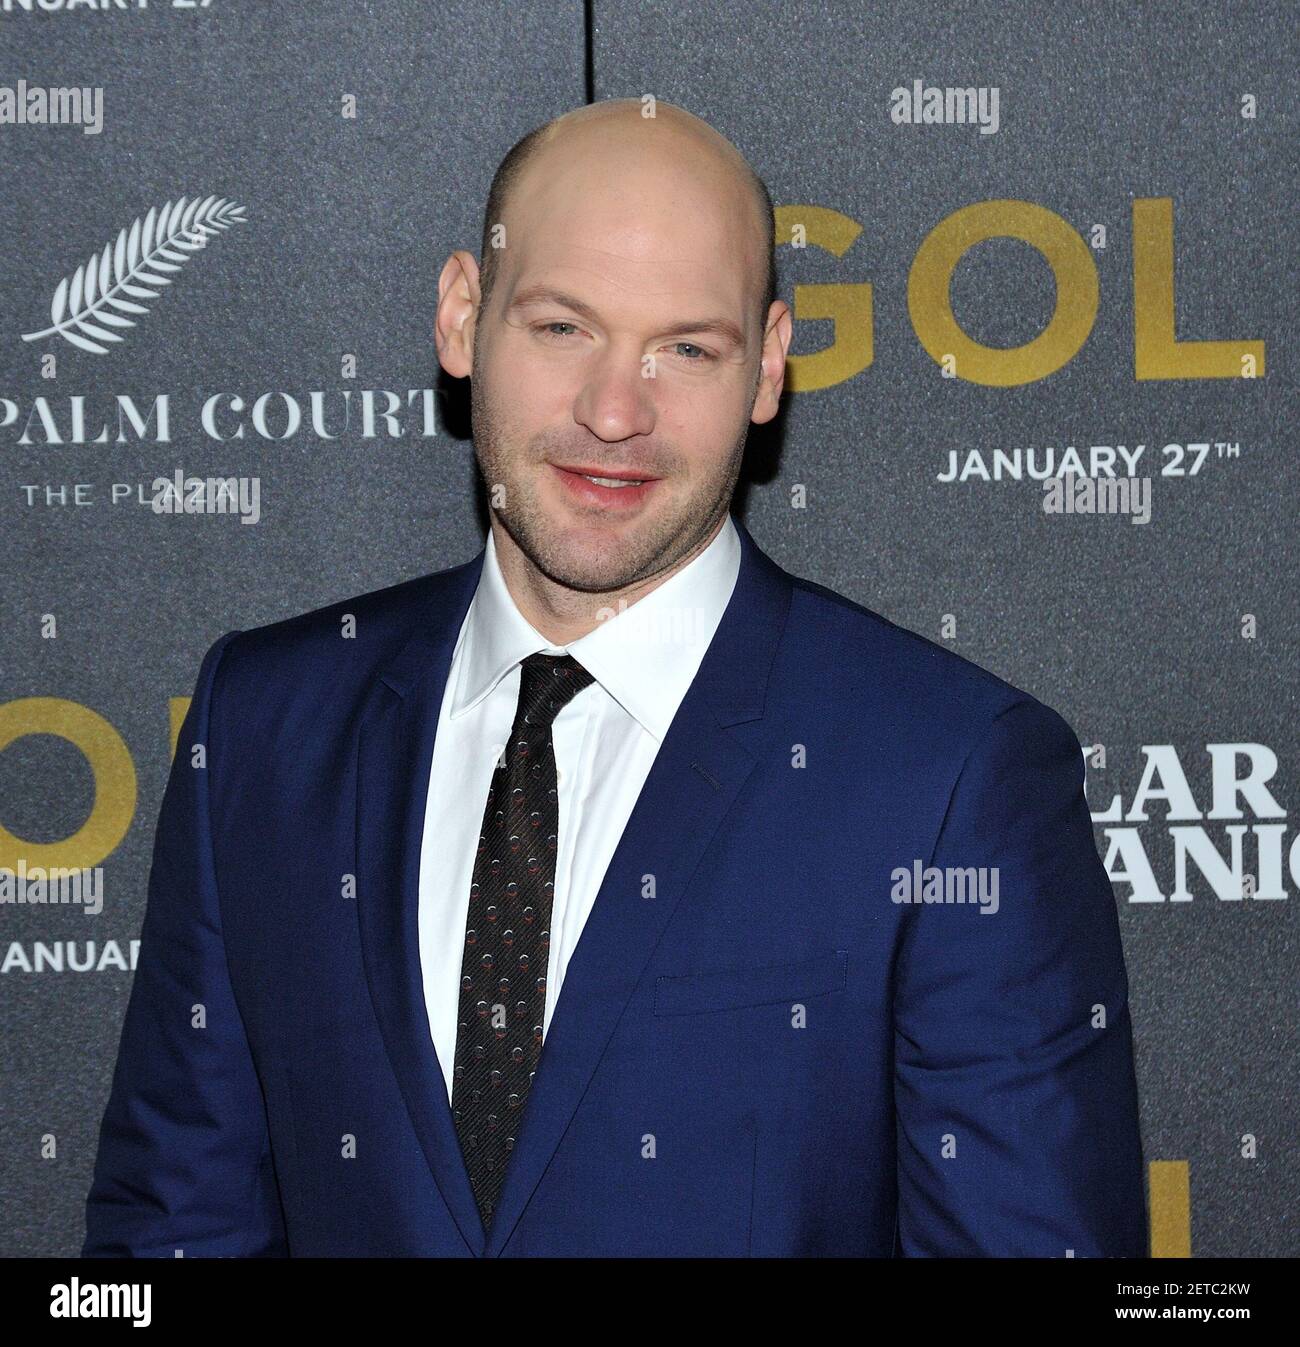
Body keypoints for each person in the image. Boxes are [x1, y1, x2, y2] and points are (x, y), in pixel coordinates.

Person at [82, 98, 1146, 1257]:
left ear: (769, 366)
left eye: (686, 347)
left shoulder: (947, 776)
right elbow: (170, 1231)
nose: (614, 410)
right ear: (460, 315)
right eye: (561, 328)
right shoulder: (266, 721)